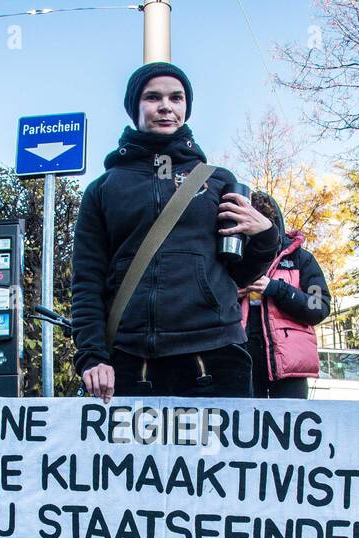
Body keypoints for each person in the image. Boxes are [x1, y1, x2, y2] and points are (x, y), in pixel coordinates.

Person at [73, 62, 279, 400]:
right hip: (129, 361)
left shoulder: (218, 181)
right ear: (135, 107)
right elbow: (87, 281)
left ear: (186, 107)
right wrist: (92, 356)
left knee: (221, 457)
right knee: (132, 457)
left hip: (216, 357)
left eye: (176, 97)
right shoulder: (103, 189)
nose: (166, 106)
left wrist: (266, 235)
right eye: (153, 97)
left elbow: (240, 274)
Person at [240, 191, 330, 399]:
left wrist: (277, 289)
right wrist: (233, 293)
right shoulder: (232, 256)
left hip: (290, 368)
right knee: (248, 429)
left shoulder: (302, 259)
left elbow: (319, 306)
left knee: (289, 429)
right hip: (243, 365)